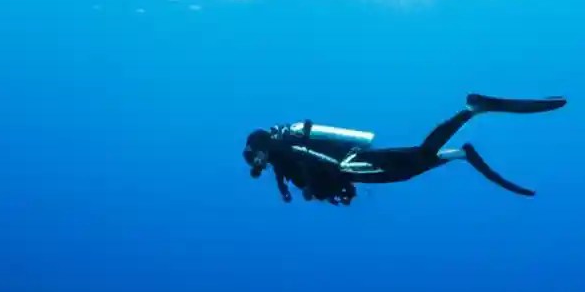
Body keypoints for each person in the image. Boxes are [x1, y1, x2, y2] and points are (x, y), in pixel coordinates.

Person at [243, 93, 566, 204]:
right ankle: (458, 153)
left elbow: (314, 158)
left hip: (354, 164)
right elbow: (291, 176)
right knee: (411, 168)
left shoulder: (283, 149)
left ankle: (471, 110)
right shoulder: (278, 158)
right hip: (355, 169)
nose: (254, 161)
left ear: (261, 146)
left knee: (418, 157)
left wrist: (333, 175)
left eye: (251, 154)